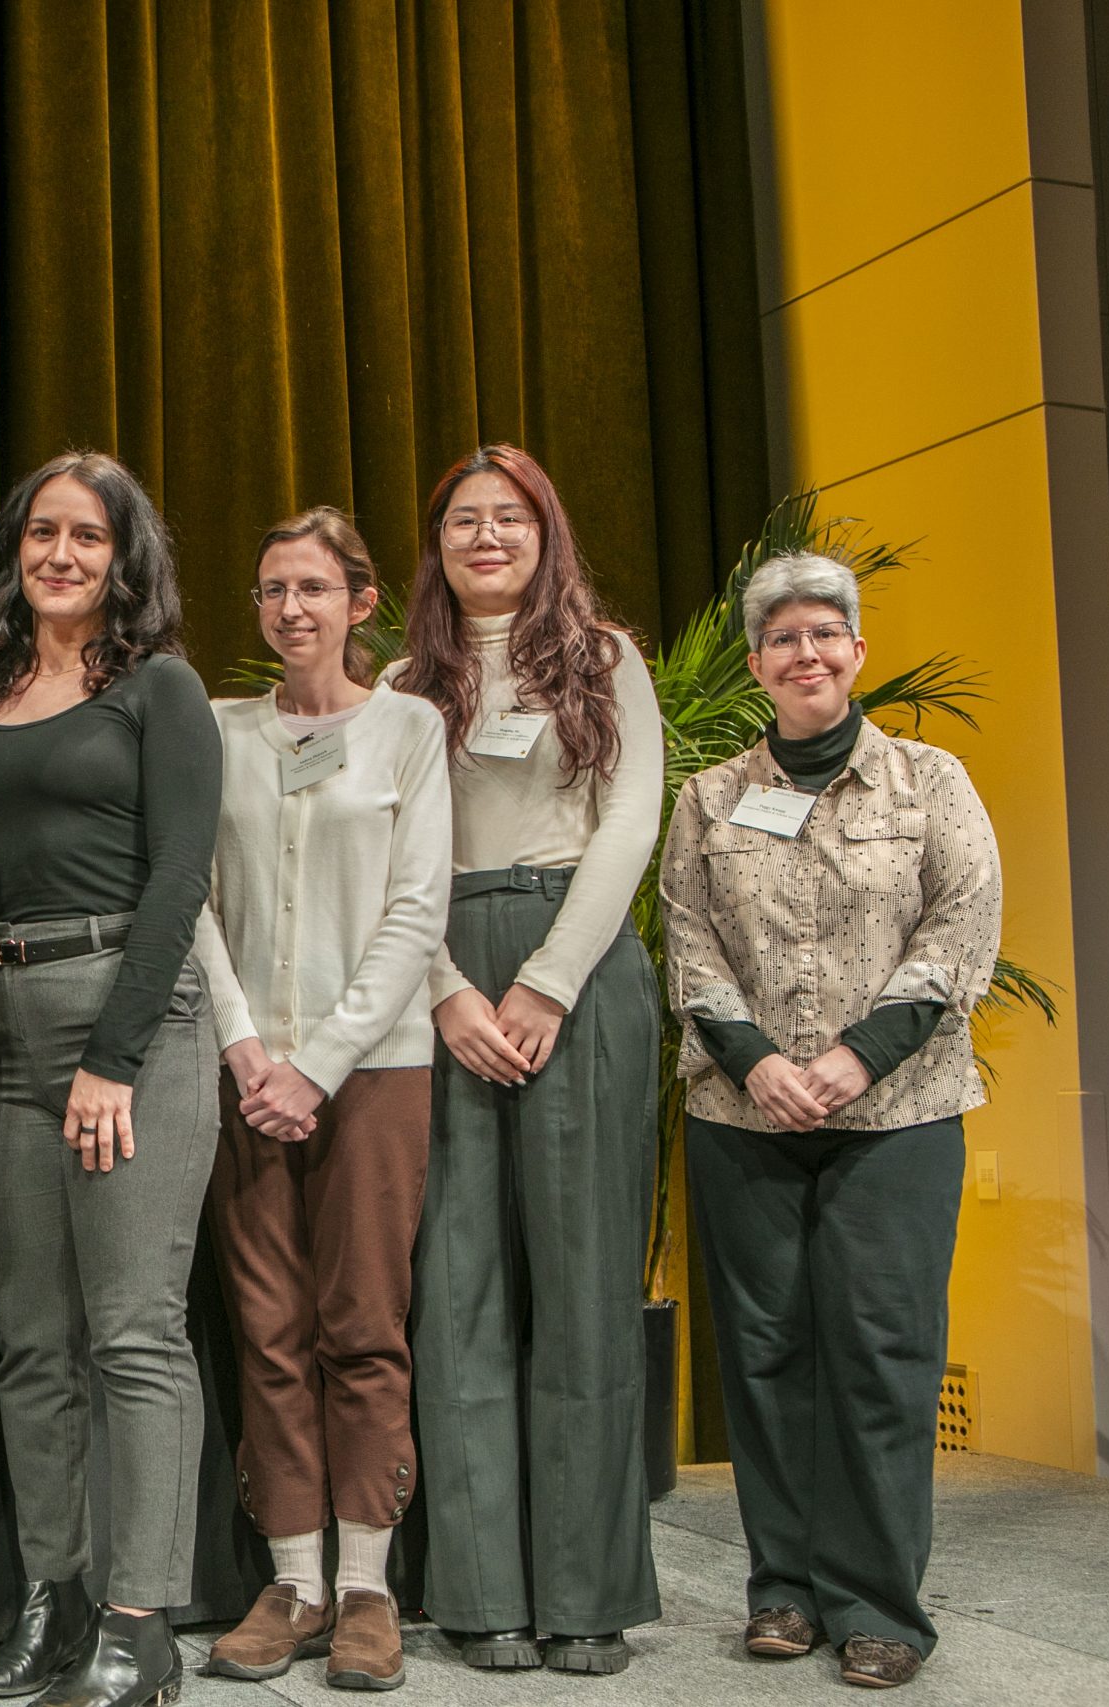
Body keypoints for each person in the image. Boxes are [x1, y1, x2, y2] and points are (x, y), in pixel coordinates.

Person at [659, 552, 1001, 1691]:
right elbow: (690, 949)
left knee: (880, 1358)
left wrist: (854, 1062)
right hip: (742, 1116)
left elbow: (961, 933)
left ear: (855, 652)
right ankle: (785, 1591)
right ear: (756, 664)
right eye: (781, 640)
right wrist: (759, 1067)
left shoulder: (928, 781)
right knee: (765, 1358)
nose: (804, 654)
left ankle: (877, 1607)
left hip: (897, 1115)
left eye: (824, 635)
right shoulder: (707, 798)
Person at [0, 451, 224, 1707]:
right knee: (30, 1346)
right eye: (41, 532)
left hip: (131, 1027)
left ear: (125, 559)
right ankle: (52, 1603)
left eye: (88, 537)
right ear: (13, 549)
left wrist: (112, 1058)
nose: (61, 554)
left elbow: (177, 880)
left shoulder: (159, 689)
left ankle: (139, 1621)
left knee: (131, 1334)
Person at [384, 444, 664, 1675]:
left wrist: (546, 984)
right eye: (462, 520)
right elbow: (385, 862)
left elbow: (630, 825)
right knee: (458, 1292)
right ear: (435, 543)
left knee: (586, 1288)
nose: (485, 535)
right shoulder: (400, 684)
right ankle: (482, 1592)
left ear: (546, 534)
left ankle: (586, 1597)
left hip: (578, 970)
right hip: (436, 973)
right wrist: (445, 993)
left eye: (509, 518)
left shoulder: (605, 662)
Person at [191, 509, 452, 1693]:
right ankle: (290, 1581)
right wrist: (249, 1049)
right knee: (268, 1330)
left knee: (362, 1327)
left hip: (375, 1070)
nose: (288, 609)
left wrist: (320, 1063)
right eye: (268, 588)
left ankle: (365, 1591)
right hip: (244, 1074)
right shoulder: (215, 730)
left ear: (360, 604)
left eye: (311, 587)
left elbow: (416, 910)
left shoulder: (408, 727)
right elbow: (187, 900)